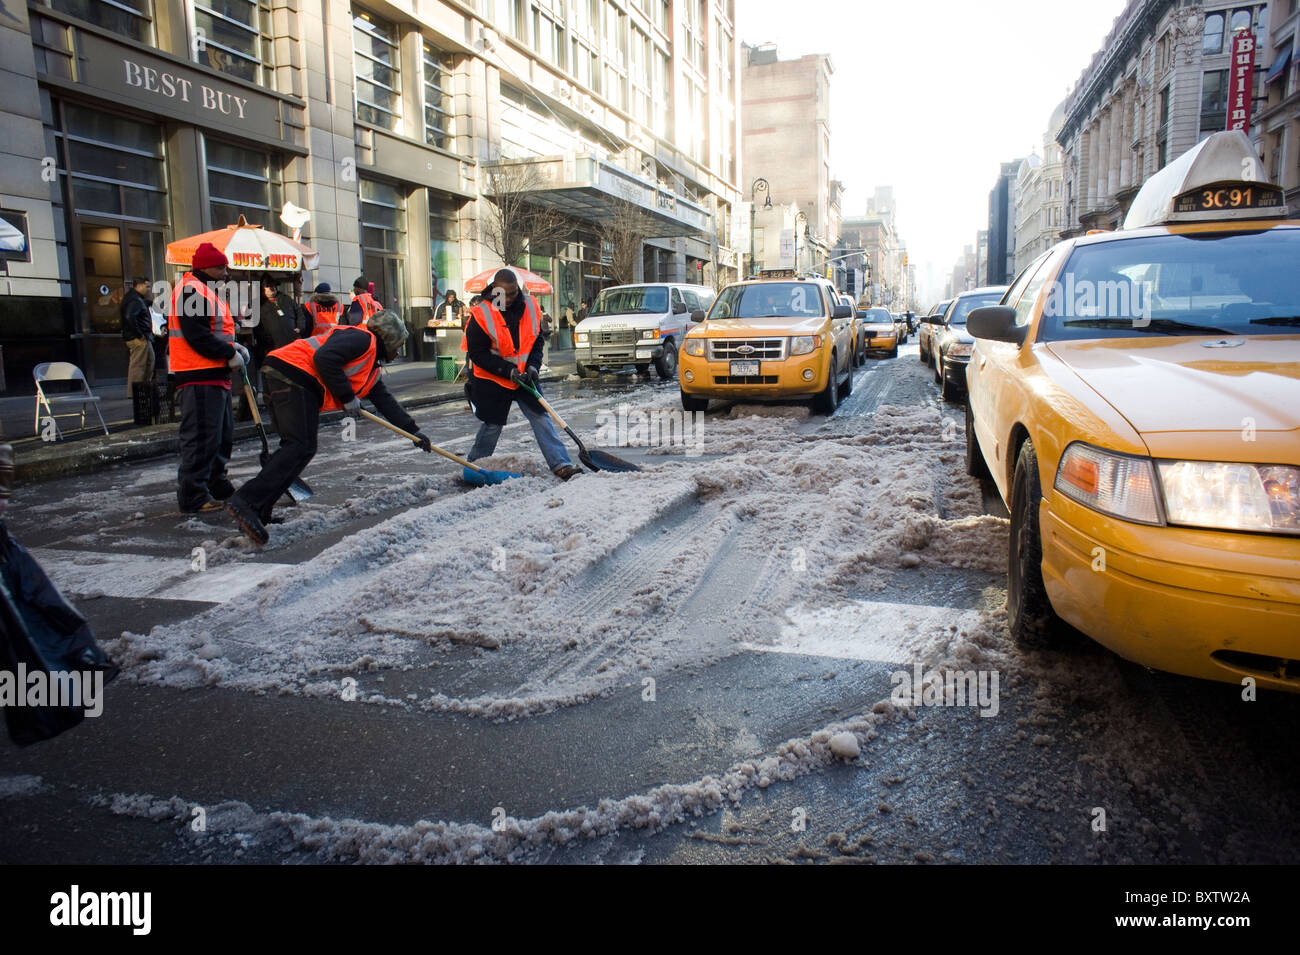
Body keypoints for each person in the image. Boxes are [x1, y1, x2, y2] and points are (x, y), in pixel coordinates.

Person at [225, 312, 433, 545]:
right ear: (389, 339)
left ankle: (259, 510)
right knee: (300, 445)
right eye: (399, 345)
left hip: (288, 377)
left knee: (298, 447)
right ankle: (246, 501)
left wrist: (413, 432)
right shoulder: (363, 339)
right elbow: (325, 358)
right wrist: (346, 396)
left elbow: (384, 400)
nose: (398, 353)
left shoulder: (371, 367)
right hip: (292, 375)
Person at [462, 268, 579, 481]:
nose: (508, 299)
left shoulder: (531, 306)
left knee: (541, 416)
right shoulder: (482, 314)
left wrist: (534, 365)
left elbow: (537, 341)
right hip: (494, 378)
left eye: (513, 293)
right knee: (492, 424)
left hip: (524, 376)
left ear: (518, 289)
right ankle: (474, 466)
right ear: (495, 290)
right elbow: (477, 354)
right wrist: (507, 370)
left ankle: (561, 464)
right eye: (503, 294)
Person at [168, 241, 248, 513]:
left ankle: (215, 483)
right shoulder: (191, 291)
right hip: (197, 376)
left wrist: (233, 348)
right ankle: (193, 495)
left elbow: (211, 331)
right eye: (221, 267)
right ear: (206, 268)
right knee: (202, 438)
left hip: (213, 375)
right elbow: (196, 335)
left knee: (221, 436)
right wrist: (227, 352)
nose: (226, 273)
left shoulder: (205, 291)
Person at [120, 276, 155, 389]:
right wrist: (139, 334)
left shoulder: (135, 298)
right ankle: (135, 392)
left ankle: (142, 389)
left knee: (149, 361)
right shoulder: (134, 299)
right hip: (138, 337)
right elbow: (130, 316)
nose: (148, 289)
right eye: (147, 286)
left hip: (142, 336)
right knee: (138, 365)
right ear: (139, 286)